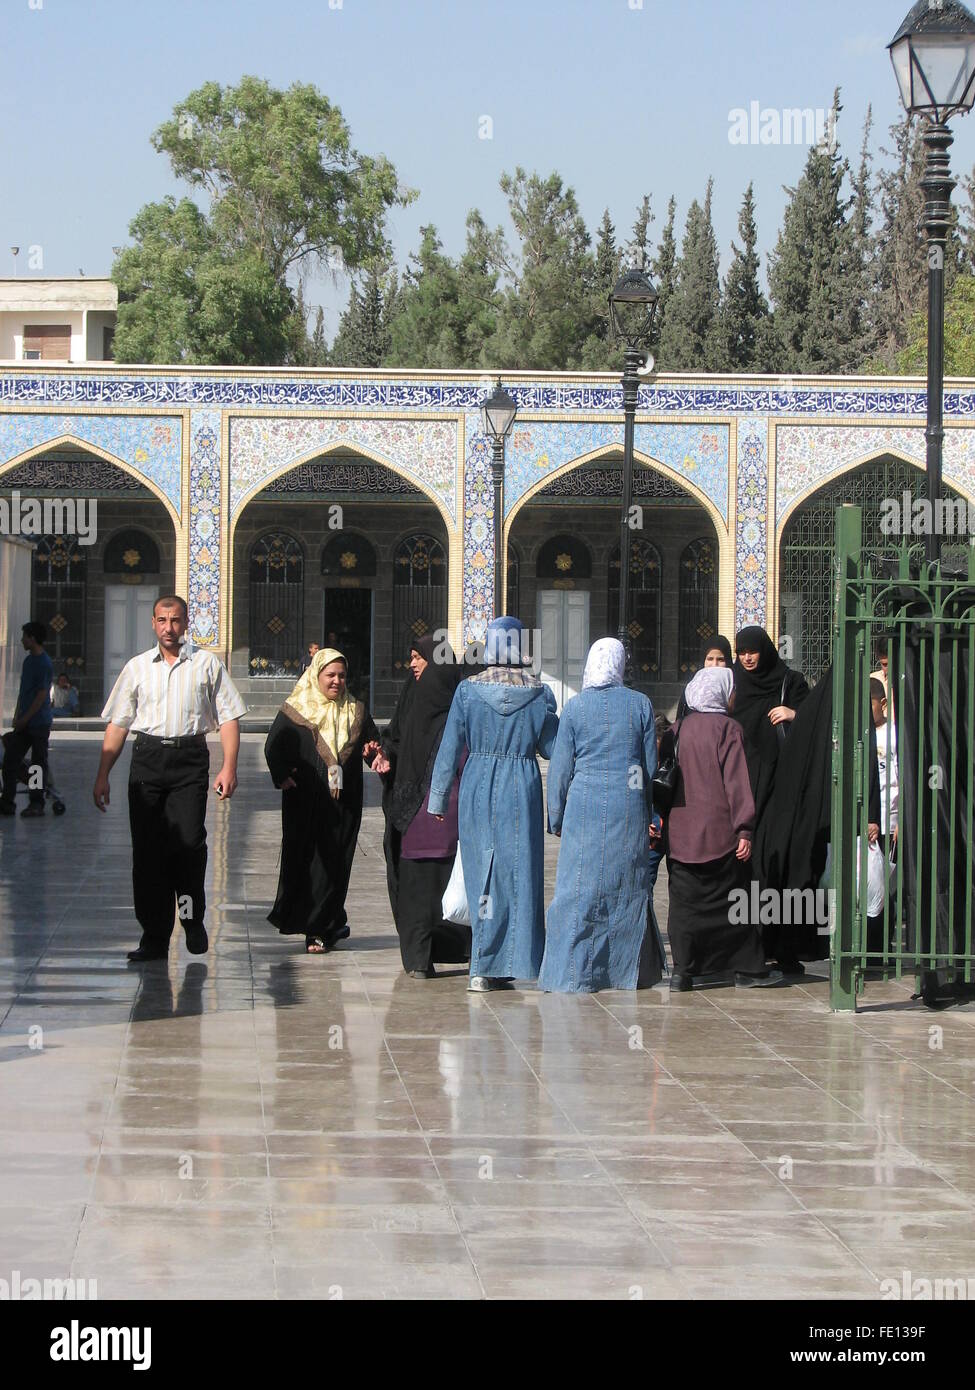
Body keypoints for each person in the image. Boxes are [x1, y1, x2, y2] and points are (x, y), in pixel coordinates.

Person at [94, 596, 245, 961]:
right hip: (147, 759)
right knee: (148, 853)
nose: (168, 628)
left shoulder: (207, 665)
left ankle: (191, 919)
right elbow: (119, 723)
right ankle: (154, 937)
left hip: (189, 760)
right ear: (152, 623)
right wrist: (102, 774)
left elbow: (228, 717)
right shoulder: (137, 668)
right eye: (162, 620)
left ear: (186, 622)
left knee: (189, 845)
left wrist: (229, 766)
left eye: (175, 620)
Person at [428, 616, 559, 993]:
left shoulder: (468, 691)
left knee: (480, 871)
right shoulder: (538, 693)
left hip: (477, 782)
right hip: (521, 785)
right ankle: (516, 962)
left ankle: (481, 966)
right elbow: (552, 748)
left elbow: (450, 747)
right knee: (519, 873)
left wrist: (438, 798)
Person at [539, 638, 663, 992]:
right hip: (629, 804)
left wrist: (556, 816)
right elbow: (649, 766)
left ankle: (572, 974)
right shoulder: (641, 705)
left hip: (583, 807)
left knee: (578, 888)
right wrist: (648, 812)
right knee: (625, 886)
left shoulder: (575, 708)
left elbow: (561, 768)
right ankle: (624, 973)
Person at [264, 647, 388, 953]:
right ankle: (315, 926)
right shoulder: (296, 709)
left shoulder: (356, 710)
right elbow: (273, 746)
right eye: (330, 675)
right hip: (305, 801)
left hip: (343, 803)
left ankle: (326, 923)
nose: (336, 682)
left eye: (341, 676)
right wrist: (282, 774)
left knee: (336, 862)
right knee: (309, 860)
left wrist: (374, 753)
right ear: (315, 675)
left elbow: (372, 743)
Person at [665, 667, 782, 989]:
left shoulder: (677, 730)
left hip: (681, 837)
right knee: (734, 903)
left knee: (685, 908)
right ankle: (746, 969)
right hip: (720, 835)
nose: (734, 697)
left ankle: (683, 972)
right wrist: (745, 828)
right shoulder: (728, 729)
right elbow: (736, 783)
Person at [381, 635, 471, 978]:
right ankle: (459, 951)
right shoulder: (459, 712)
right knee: (450, 891)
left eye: (422, 659)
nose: (414, 665)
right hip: (452, 821)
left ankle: (418, 960)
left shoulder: (419, 708)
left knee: (418, 894)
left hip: (415, 819)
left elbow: (405, 758)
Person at [0, 621, 53, 819]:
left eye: (24, 637)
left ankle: (36, 802)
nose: (22, 640)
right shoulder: (28, 661)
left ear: (32, 638)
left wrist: (26, 718)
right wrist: (17, 716)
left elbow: (41, 696)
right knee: (11, 760)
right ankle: (7, 802)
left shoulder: (44, 663)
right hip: (24, 722)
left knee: (38, 764)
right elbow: (24, 693)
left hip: (38, 723)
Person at [675, 635, 733, 719]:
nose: (715, 665)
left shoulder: (734, 690)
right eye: (710, 659)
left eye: (720, 660)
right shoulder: (692, 689)